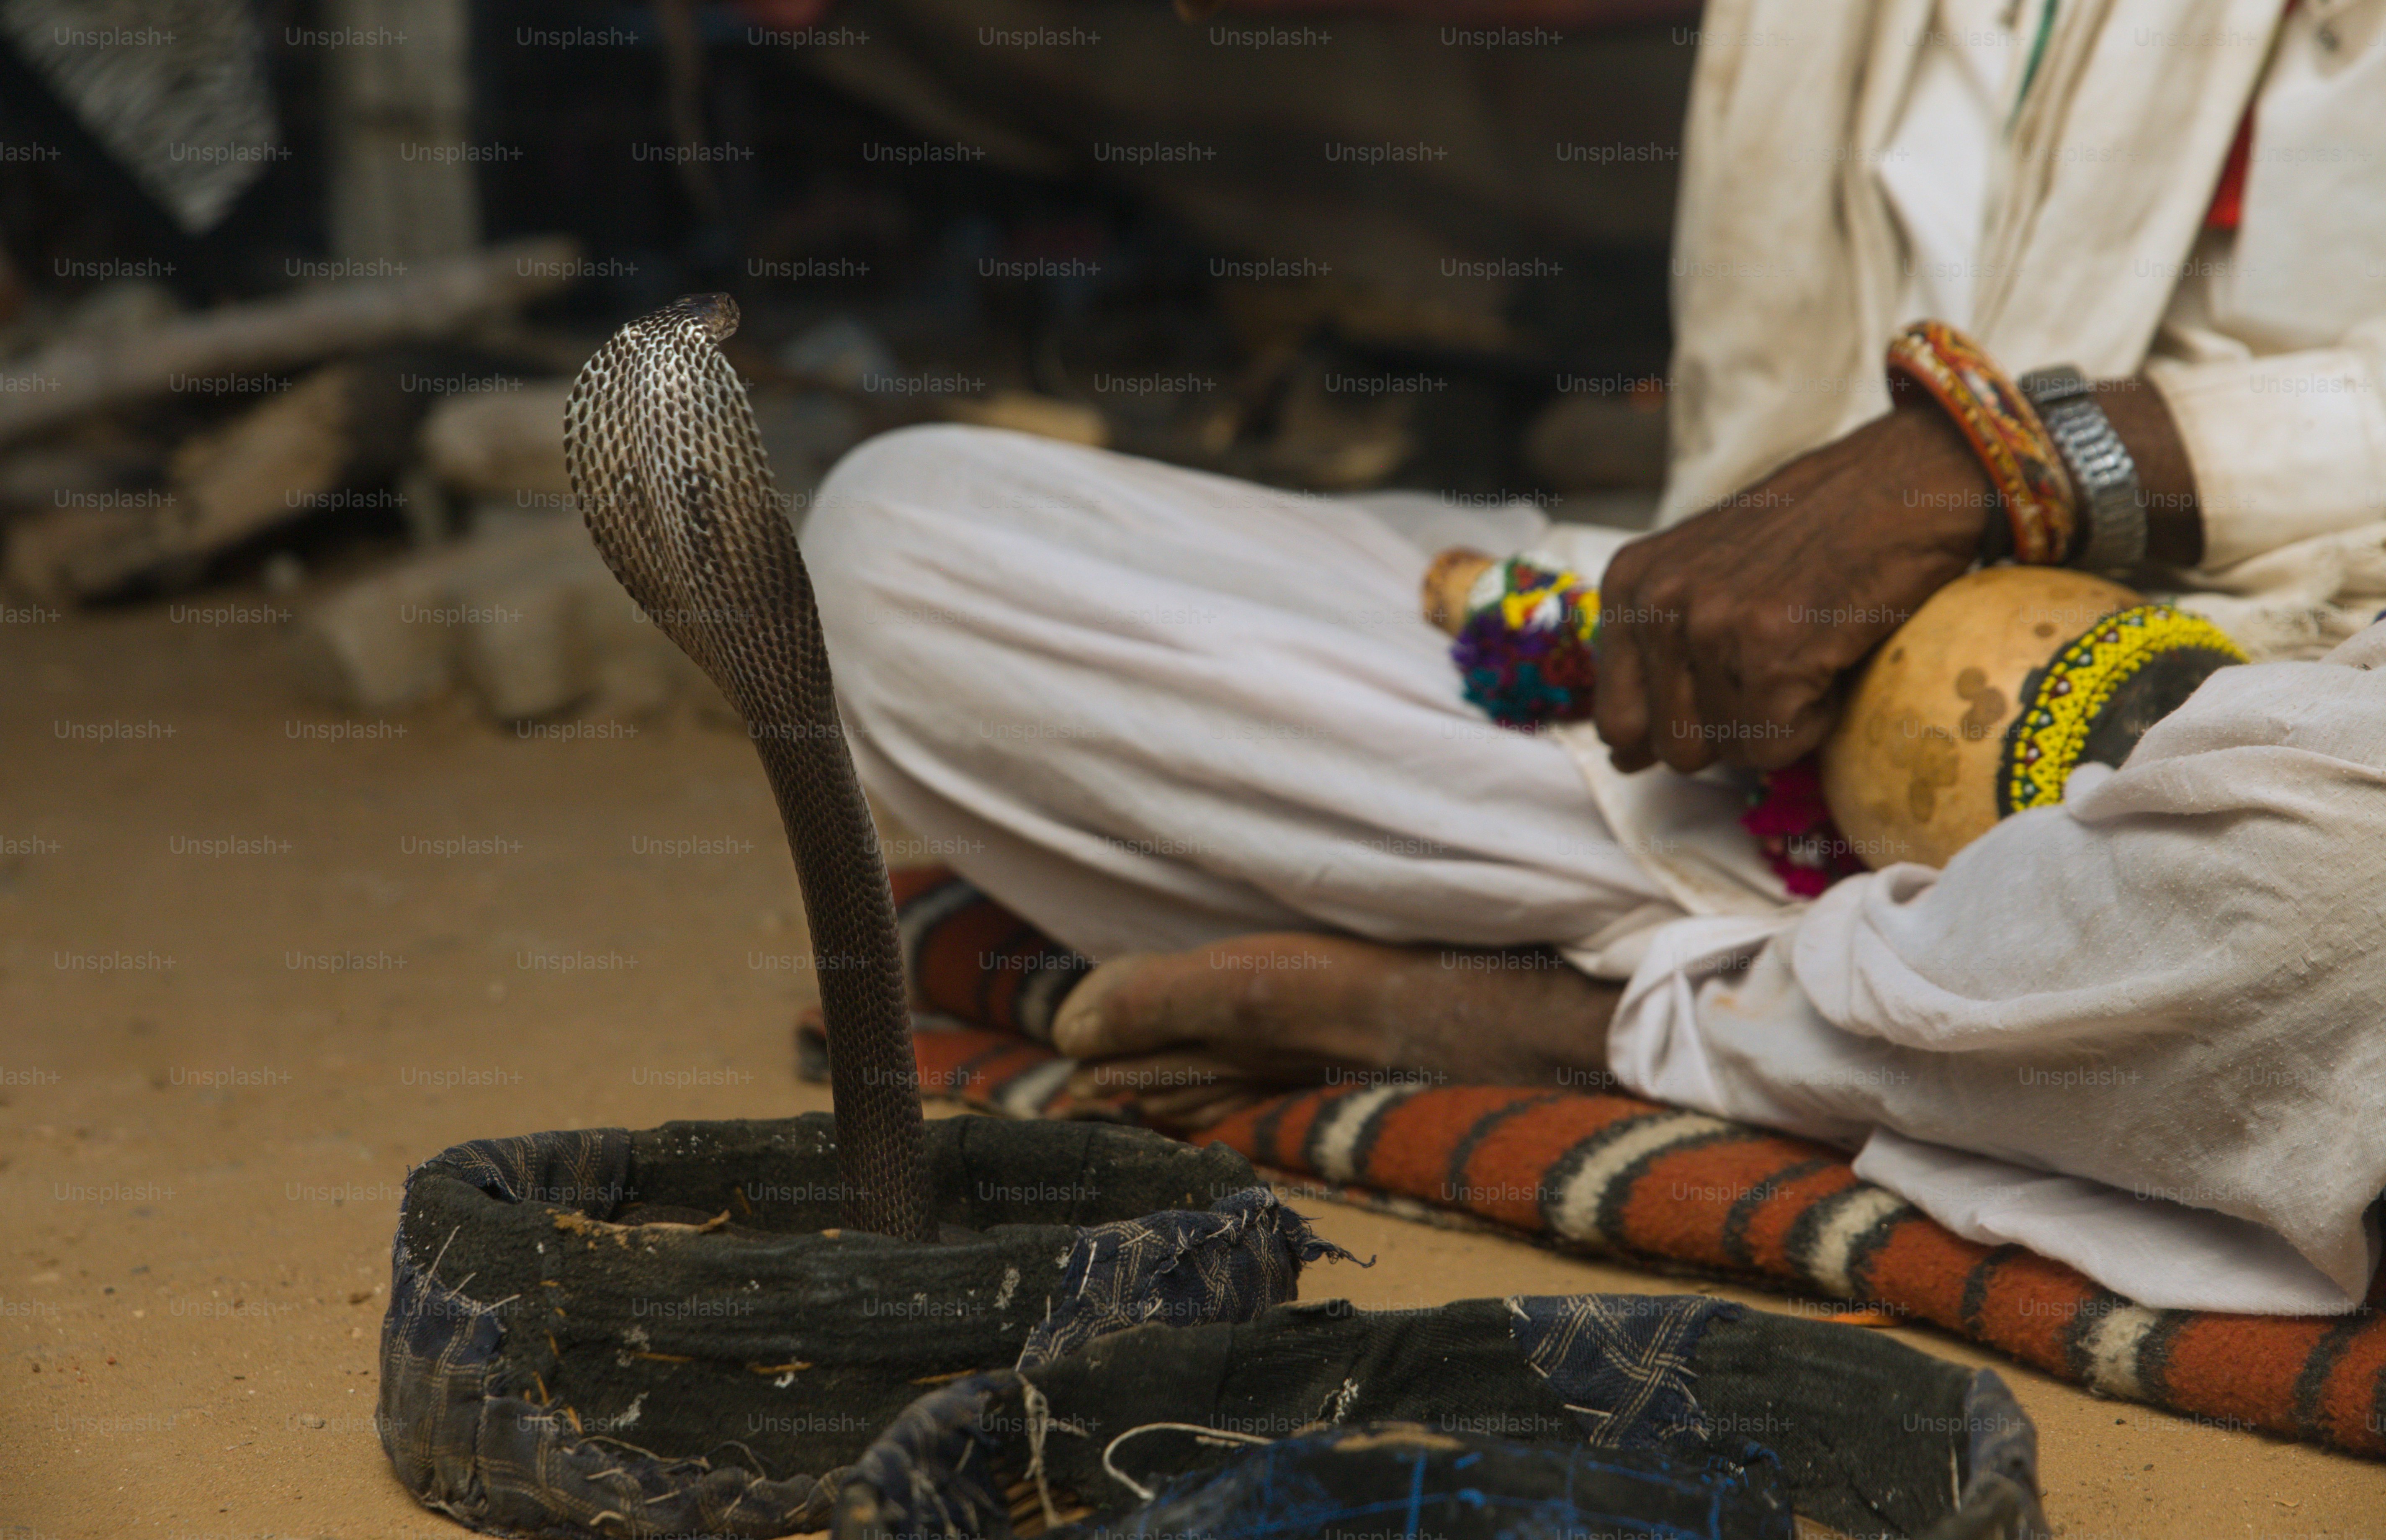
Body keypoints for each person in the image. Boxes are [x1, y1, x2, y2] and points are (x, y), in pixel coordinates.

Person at [800, 0, 2386, 1317]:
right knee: (906, 551)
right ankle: (1929, 1012)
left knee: (2343, 890)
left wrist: (1991, 465)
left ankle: (1573, 1026)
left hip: (2281, 702)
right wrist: (1709, 614)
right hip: (1768, 736)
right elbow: (1759, 477)